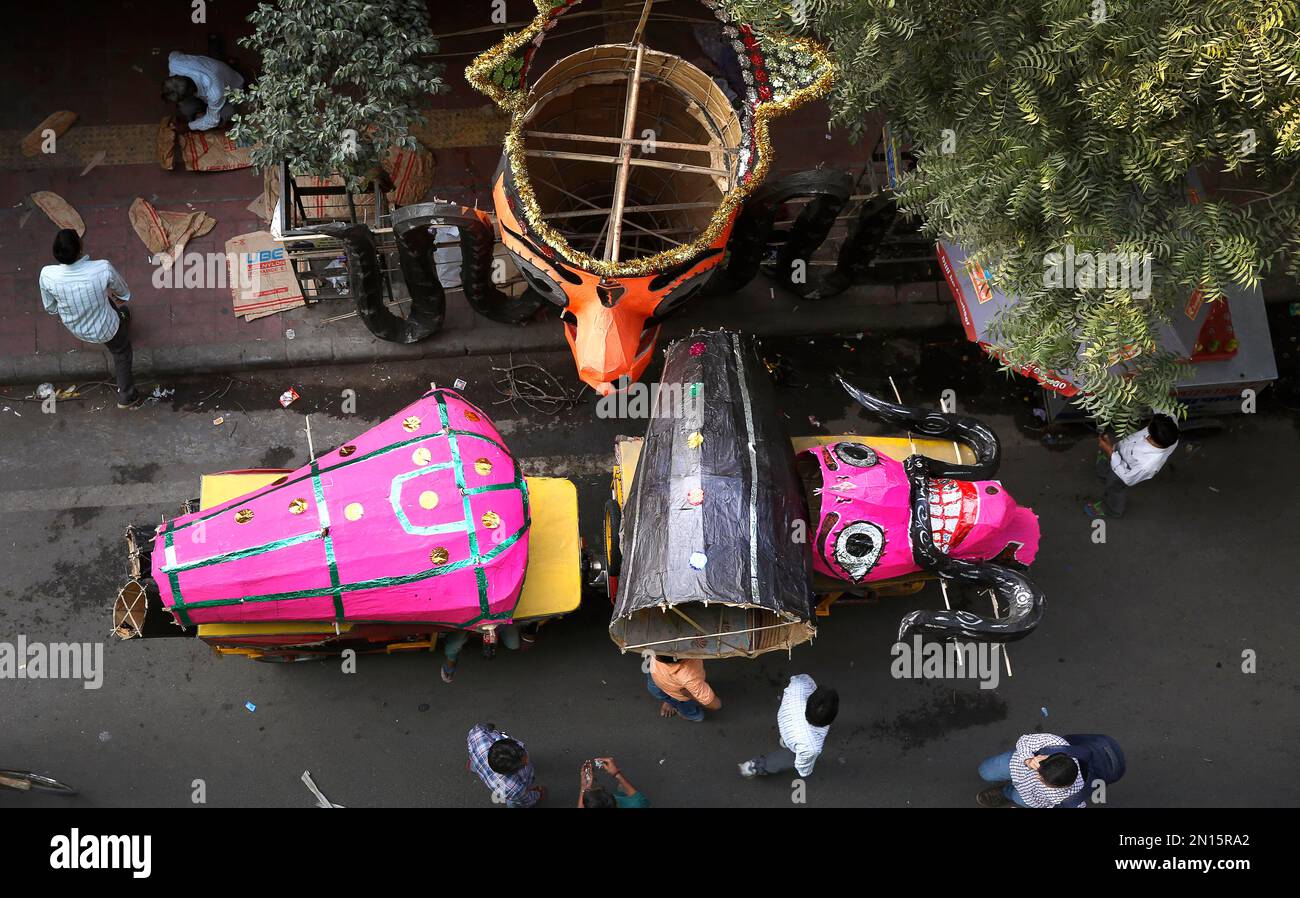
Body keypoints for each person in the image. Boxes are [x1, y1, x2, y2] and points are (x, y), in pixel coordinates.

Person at [39, 229, 141, 409]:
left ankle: (121, 316)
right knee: (122, 352)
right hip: (107, 328)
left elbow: (51, 307)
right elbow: (123, 292)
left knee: (109, 305)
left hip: (75, 326)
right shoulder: (101, 268)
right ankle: (126, 395)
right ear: (80, 248)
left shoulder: (47, 275)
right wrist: (121, 297)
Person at [739, 675, 838, 778]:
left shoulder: (800, 685)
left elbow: (799, 678)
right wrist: (805, 771)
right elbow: (803, 765)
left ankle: (754, 765)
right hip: (799, 739)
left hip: (786, 722)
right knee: (787, 758)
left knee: (791, 741)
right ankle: (759, 766)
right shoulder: (812, 746)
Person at [1085, 414, 1179, 518]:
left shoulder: (1148, 465)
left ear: (1151, 437)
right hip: (1117, 453)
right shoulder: (1168, 427)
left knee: (1115, 488)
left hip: (1121, 474)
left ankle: (1113, 510)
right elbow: (1159, 405)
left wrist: (1110, 451)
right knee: (1104, 469)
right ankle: (1104, 473)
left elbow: (1127, 478)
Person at [976, 732, 1085, 808]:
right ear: (1049, 757)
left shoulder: (1072, 797)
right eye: (1039, 772)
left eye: (1042, 780)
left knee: (1013, 795)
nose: (1037, 776)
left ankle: (1005, 793)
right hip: (1016, 764)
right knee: (985, 771)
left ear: (1061, 787)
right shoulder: (1056, 743)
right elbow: (1024, 741)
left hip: (1029, 797)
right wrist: (1028, 759)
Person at [466, 723, 545, 807]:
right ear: (507, 772)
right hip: (513, 793)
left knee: (478, 764)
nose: (527, 759)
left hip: (479, 761)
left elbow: (479, 728)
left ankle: (473, 766)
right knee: (514, 801)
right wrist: (537, 795)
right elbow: (526, 800)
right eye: (522, 764)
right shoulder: (513, 788)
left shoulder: (478, 736)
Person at [162, 50, 244, 132]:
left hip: (231, 88)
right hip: (215, 72)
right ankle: (206, 109)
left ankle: (215, 113)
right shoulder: (175, 63)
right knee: (186, 109)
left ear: (191, 94)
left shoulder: (215, 91)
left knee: (227, 113)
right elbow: (174, 53)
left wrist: (188, 127)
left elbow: (212, 121)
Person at [646, 652, 721, 722]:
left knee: (664, 692)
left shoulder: (655, 647)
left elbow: (716, 705)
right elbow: (715, 705)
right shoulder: (689, 677)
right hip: (679, 693)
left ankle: (671, 701)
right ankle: (676, 706)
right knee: (696, 715)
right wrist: (690, 695)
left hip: (656, 679)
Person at [440, 623, 520, 683]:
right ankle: (451, 659)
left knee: (513, 644)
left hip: (500, 614)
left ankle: (491, 635)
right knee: (455, 643)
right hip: (471, 614)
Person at [578, 757, 650, 808]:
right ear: (612, 799)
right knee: (622, 788)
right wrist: (616, 773)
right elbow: (637, 797)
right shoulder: (637, 804)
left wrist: (584, 787)